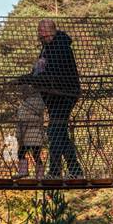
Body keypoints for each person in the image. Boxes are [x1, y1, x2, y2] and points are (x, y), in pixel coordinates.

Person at [31, 18, 82, 177]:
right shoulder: (48, 47)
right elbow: (43, 70)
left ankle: (56, 172)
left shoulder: (60, 46)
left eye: (41, 31)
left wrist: (32, 79)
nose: (39, 34)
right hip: (54, 97)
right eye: (39, 31)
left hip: (64, 95)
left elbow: (53, 73)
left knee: (55, 131)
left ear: (49, 31)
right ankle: (74, 171)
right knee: (58, 132)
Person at [13, 55, 47, 177]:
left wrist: (23, 123)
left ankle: (39, 175)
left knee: (35, 154)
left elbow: (35, 114)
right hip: (27, 131)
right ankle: (25, 171)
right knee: (22, 152)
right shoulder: (25, 102)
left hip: (33, 131)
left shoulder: (36, 99)